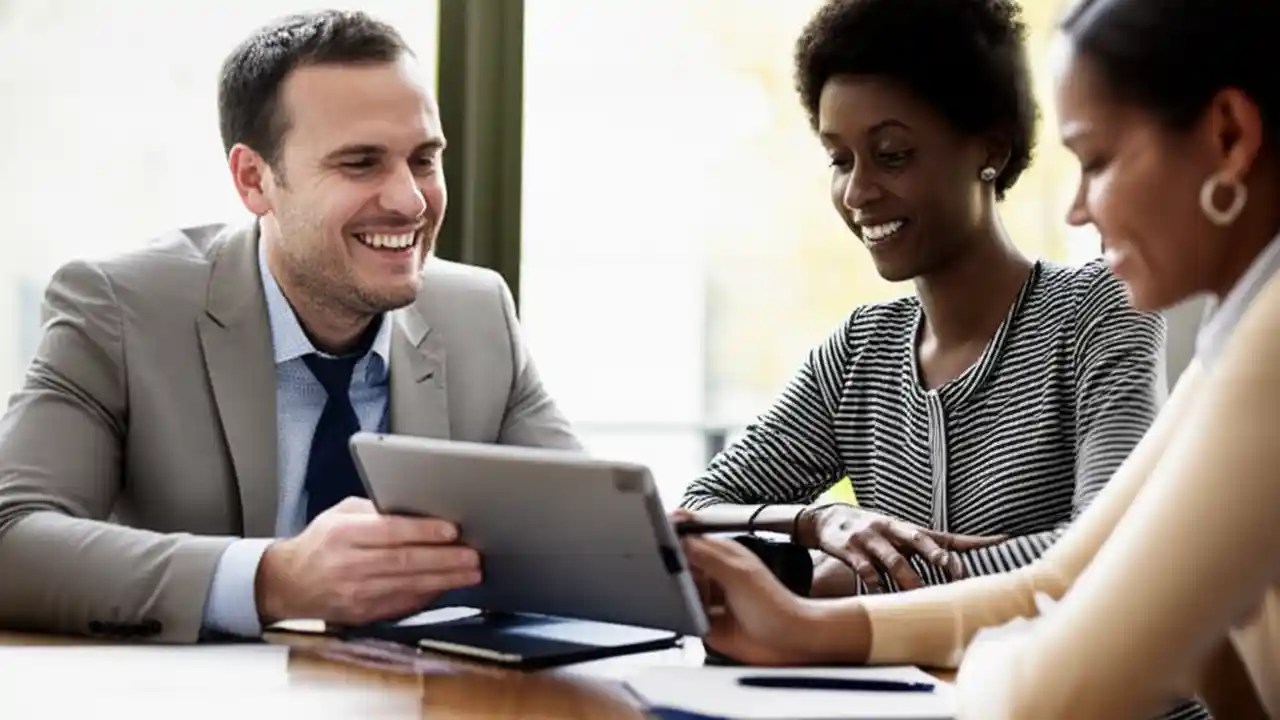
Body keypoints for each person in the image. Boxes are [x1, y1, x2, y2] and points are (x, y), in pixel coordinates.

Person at [682, 0, 1280, 716]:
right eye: (839, 159)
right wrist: (811, 557)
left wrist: (836, 591)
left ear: (1229, 136)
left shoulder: (1192, 327)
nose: (1078, 209)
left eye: (1098, 162)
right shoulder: (1231, 344)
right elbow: (1057, 580)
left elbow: (1079, 624)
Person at [0, 10, 579, 643]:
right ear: (255, 180)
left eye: (423, 160)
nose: (411, 201)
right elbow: (11, 537)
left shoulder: (477, 313)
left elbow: (598, 541)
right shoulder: (119, 309)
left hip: (428, 690)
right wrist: (274, 579)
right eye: (360, 163)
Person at [680, 0, 1166, 602]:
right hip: (899, 670)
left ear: (990, 151)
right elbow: (695, 515)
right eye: (840, 160)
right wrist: (814, 522)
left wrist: (854, 581)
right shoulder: (858, 354)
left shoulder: (1098, 310)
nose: (857, 192)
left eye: (892, 155)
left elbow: (1107, 546)